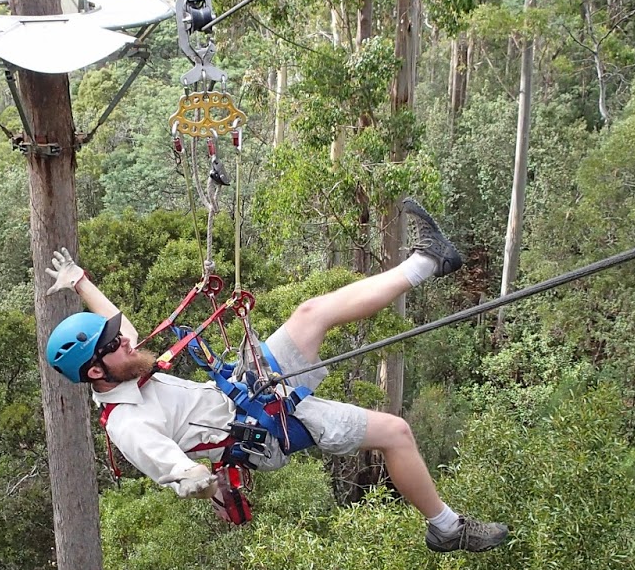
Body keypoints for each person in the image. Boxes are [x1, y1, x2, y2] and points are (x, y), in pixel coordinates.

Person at [43, 198, 509, 552]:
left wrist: (80, 281)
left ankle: (431, 259)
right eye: (113, 344)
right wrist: (195, 479)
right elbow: (166, 463)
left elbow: (120, 325)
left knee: (311, 312)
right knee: (396, 432)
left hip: (244, 386)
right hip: (262, 427)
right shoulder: (128, 423)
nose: (127, 339)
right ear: (97, 370)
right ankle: (448, 528)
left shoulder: (121, 367)